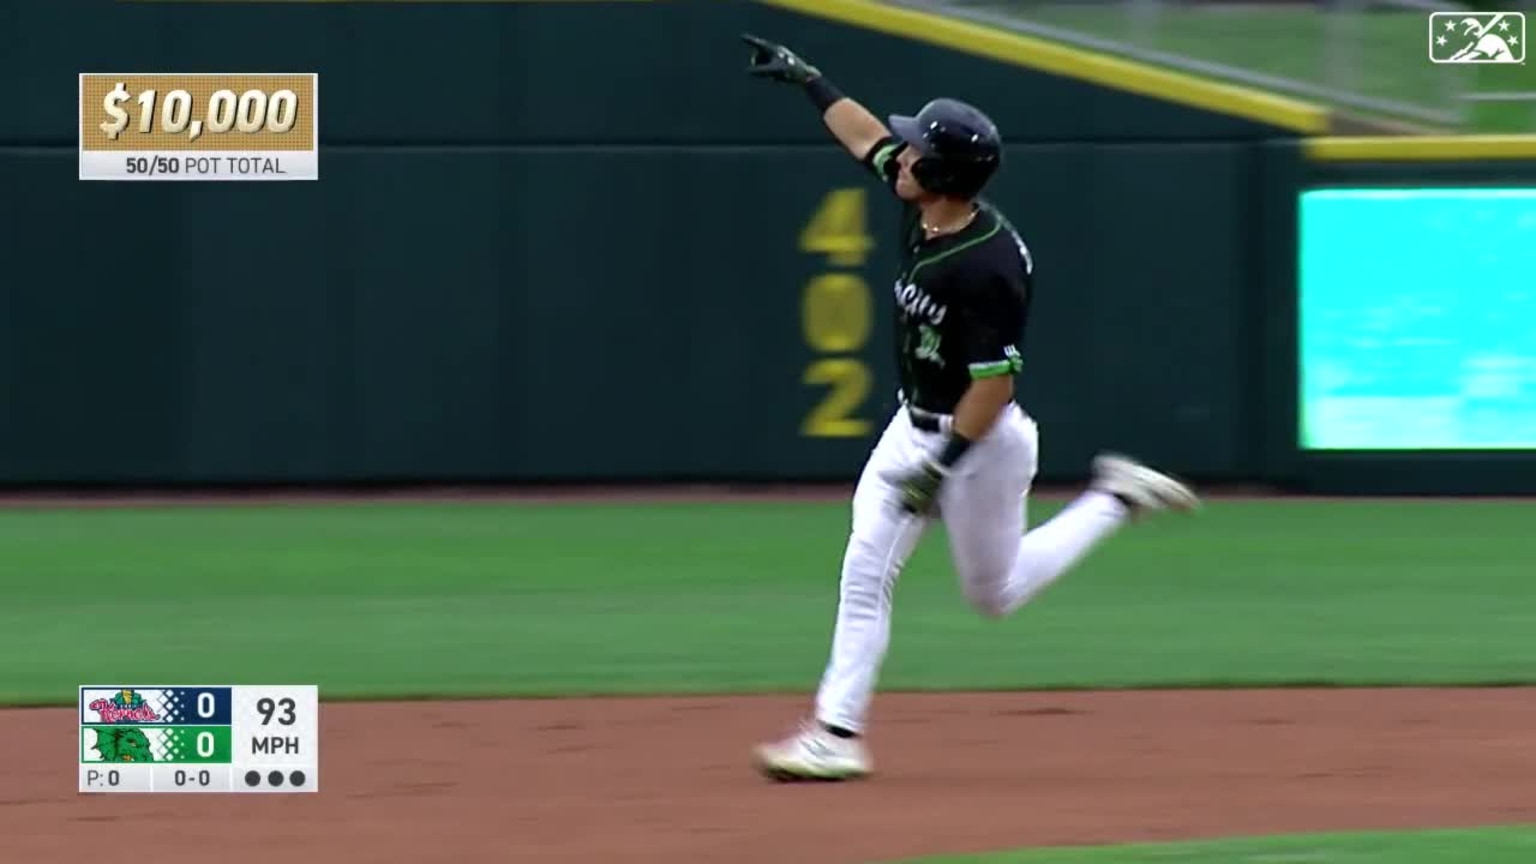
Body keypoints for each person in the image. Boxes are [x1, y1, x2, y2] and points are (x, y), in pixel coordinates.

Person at [741, 34, 1200, 782]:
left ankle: (1112, 498)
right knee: (864, 572)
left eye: (919, 148)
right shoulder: (925, 202)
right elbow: (866, 138)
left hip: (978, 442)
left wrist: (941, 467)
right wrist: (808, 80)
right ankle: (835, 733)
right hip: (911, 423)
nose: (904, 152)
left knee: (995, 594)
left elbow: (993, 387)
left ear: (946, 176)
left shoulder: (985, 265)